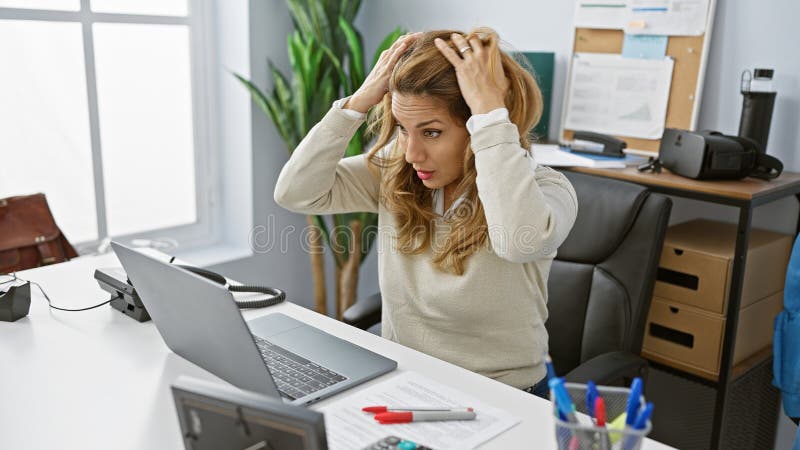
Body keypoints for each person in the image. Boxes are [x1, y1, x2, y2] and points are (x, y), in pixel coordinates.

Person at [274, 28, 578, 396]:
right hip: (405, 379)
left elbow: (517, 243)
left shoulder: (548, 191)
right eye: (403, 129)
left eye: (431, 132)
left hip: (503, 394)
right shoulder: (396, 173)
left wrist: (490, 114)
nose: (413, 152)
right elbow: (295, 193)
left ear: (478, 125)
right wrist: (355, 104)